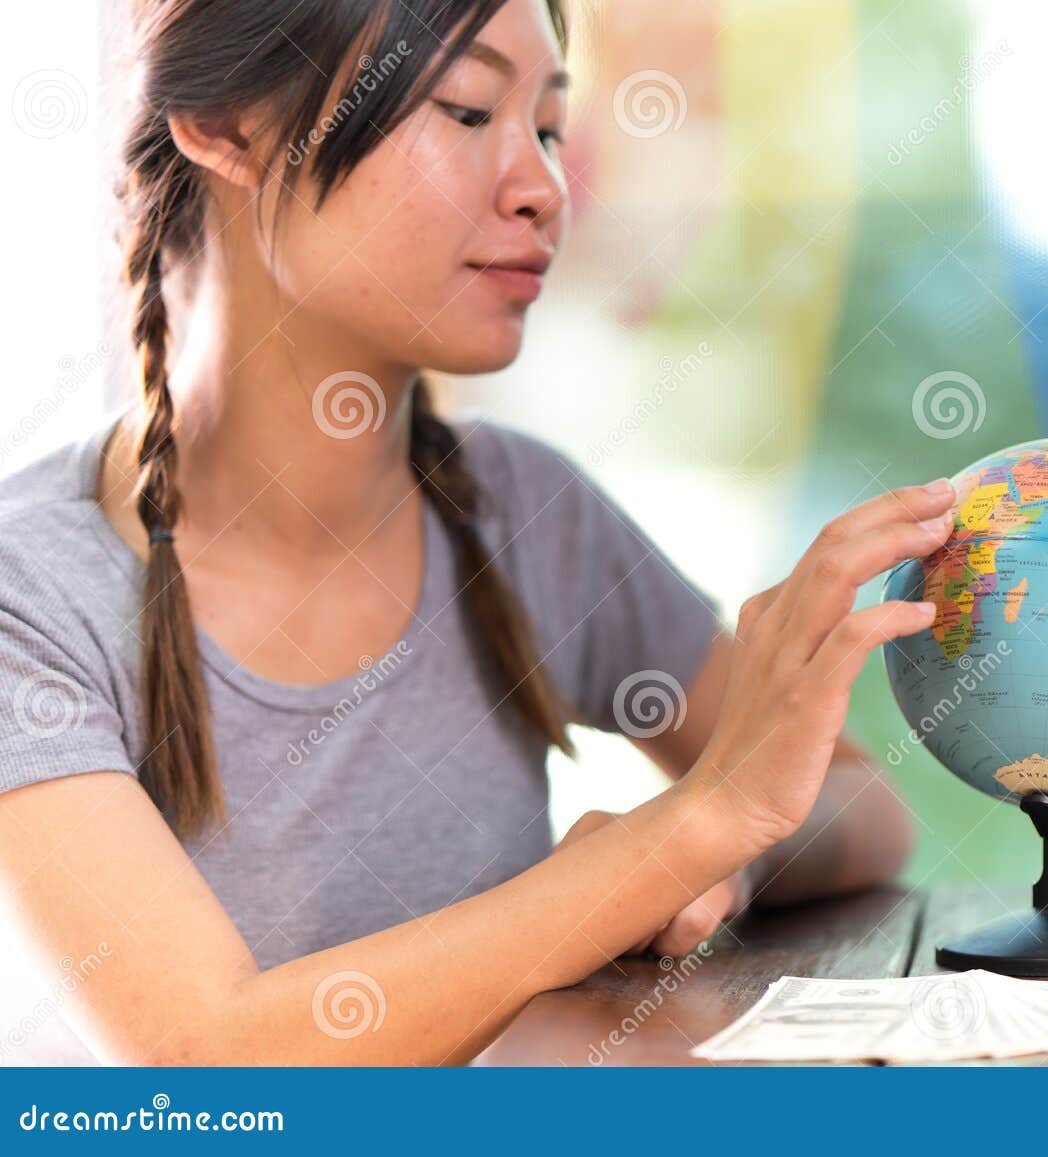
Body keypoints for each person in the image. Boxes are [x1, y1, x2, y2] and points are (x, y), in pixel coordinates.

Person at [0, 0, 955, 1065]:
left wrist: (709, 855)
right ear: (227, 123)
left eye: (547, 127)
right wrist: (678, 833)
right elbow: (213, 1058)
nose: (544, 186)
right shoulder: (31, 595)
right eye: (464, 109)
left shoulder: (521, 513)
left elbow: (864, 811)